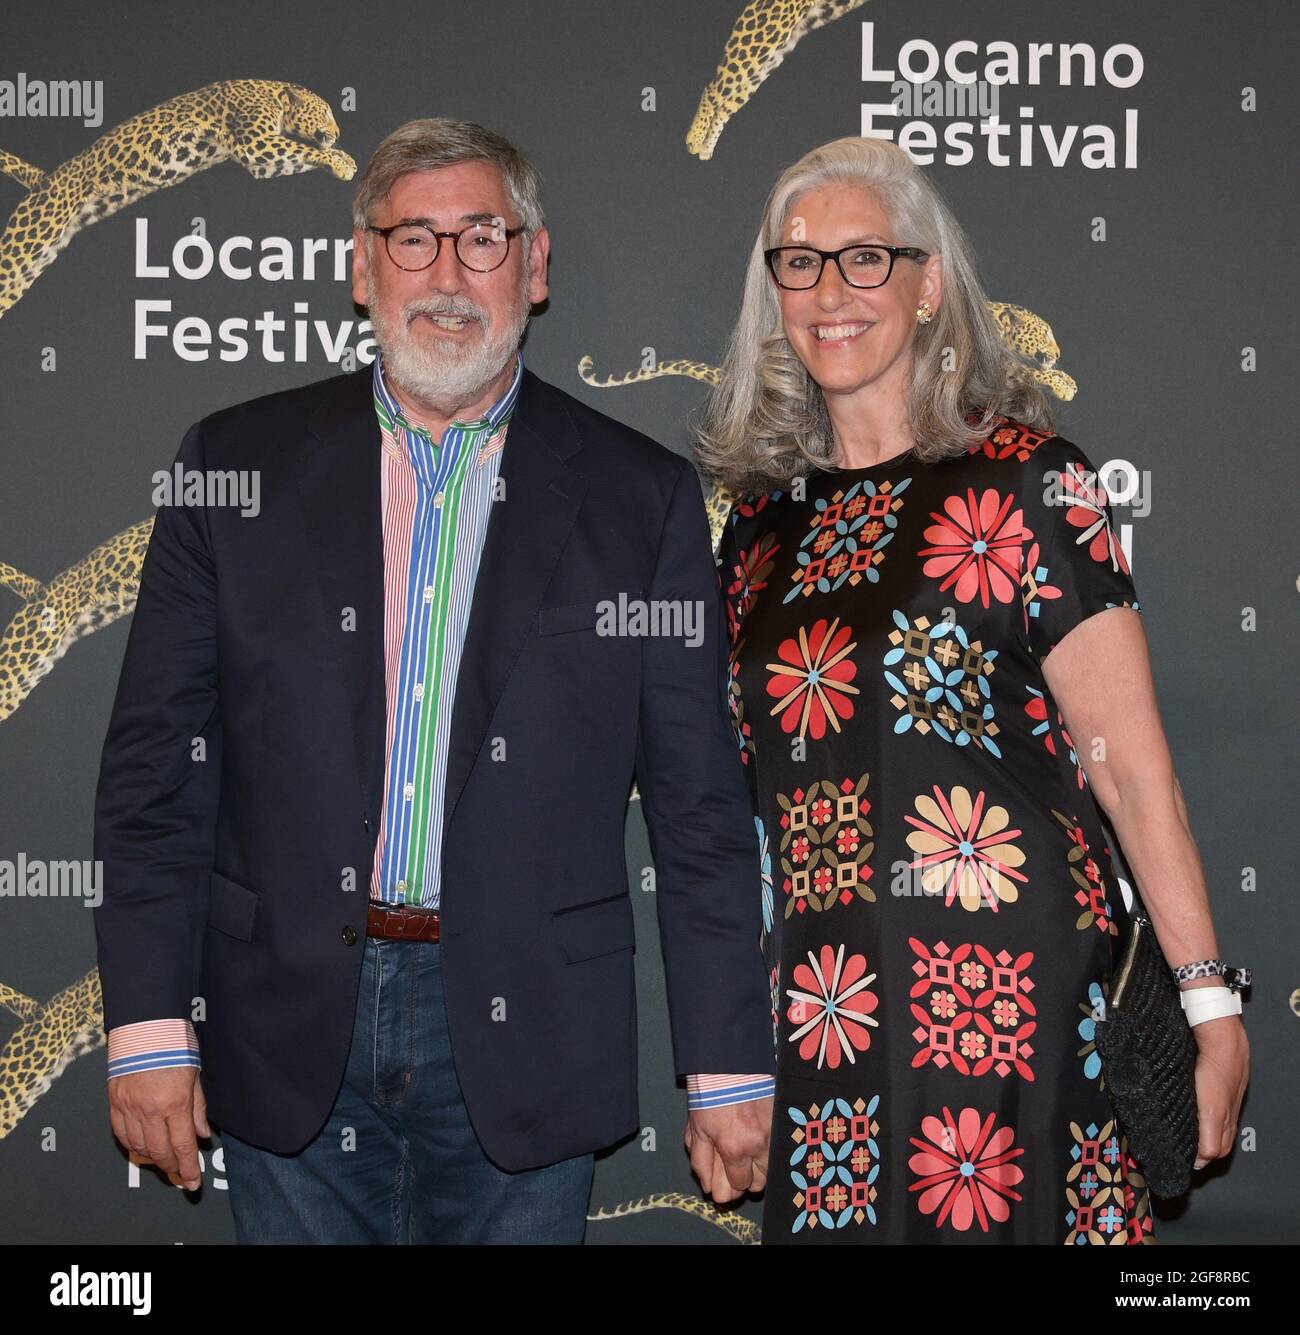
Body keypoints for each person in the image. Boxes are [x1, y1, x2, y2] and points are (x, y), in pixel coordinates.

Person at [92, 118, 774, 1245]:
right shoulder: (231, 466)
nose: (449, 276)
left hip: (526, 1036)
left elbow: (701, 809)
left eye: (482, 239)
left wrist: (724, 1061)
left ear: (535, 265)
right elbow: (155, 769)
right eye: (414, 240)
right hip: (281, 1022)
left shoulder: (638, 499)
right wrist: (152, 1028)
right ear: (362, 267)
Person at [696, 135, 1250, 1244]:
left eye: (866, 259)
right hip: (827, 1009)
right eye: (798, 264)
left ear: (929, 283)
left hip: (1010, 999)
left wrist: (1209, 1002)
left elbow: (1131, 772)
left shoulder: (1031, 482)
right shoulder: (759, 531)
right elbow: (733, 816)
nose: (830, 292)